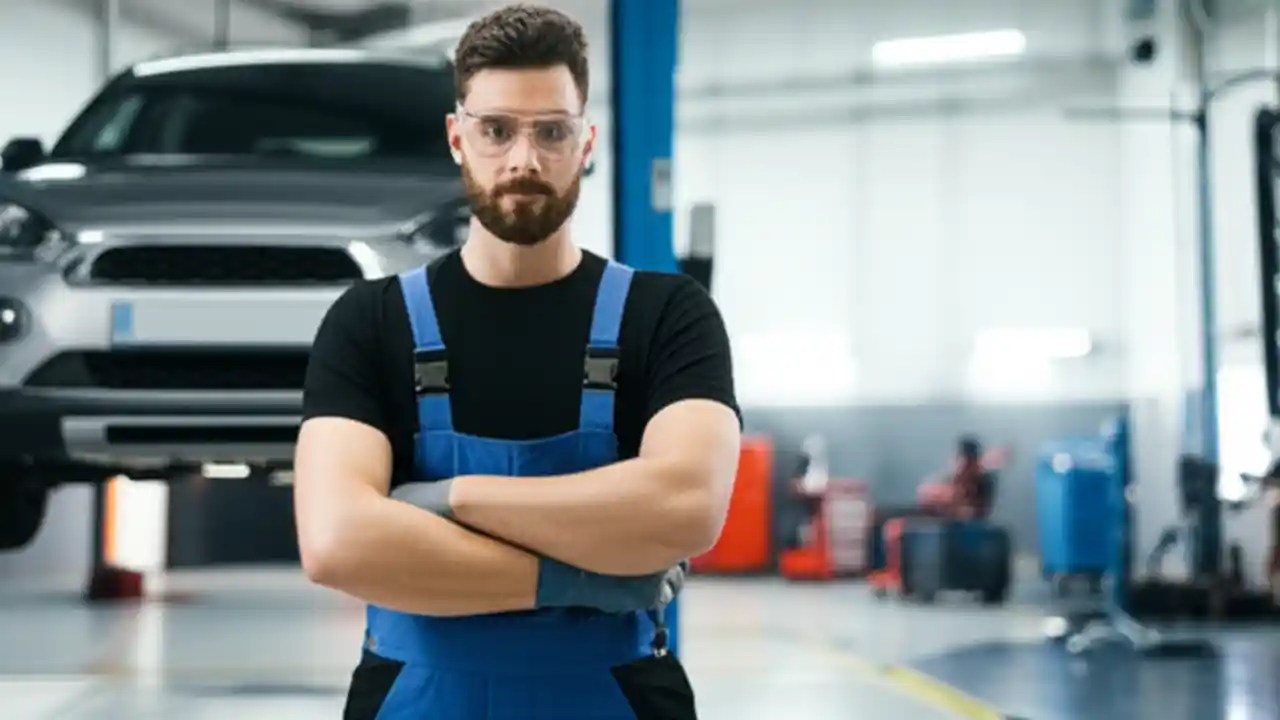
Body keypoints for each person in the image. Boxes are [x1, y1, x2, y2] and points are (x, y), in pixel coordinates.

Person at [293, 4, 742, 718]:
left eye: (552, 132)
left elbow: (685, 509)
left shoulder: (665, 316)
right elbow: (338, 542)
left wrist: (449, 499)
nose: (524, 159)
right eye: (496, 130)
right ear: (457, 137)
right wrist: (581, 579)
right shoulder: (372, 322)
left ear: (587, 141)